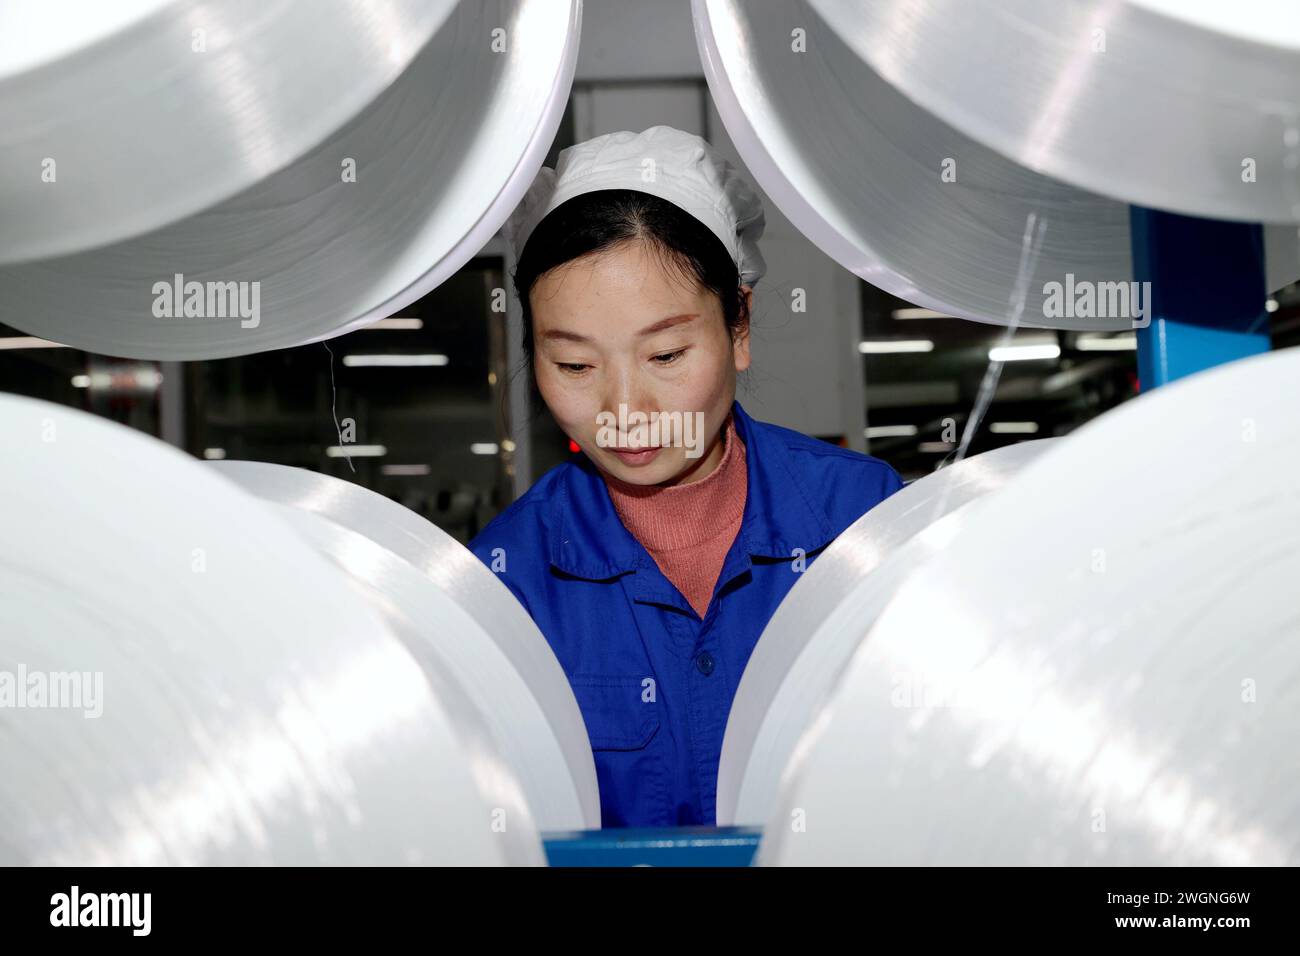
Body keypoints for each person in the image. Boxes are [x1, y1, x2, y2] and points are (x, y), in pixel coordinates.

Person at [470, 125, 902, 828]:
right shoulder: (504, 583)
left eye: (666, 354)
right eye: (576, 365)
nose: (625, 409)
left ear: (739, 327)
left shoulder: (864, 521)